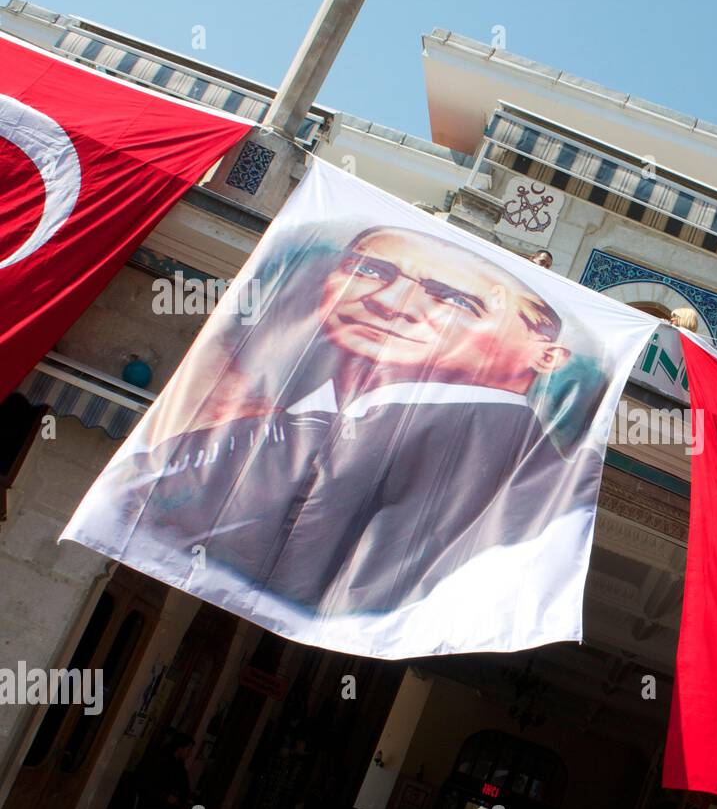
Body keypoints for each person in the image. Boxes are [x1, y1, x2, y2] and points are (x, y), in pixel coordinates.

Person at [72, 226, 586, 628]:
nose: (388, 303)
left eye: (452, 301)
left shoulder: (518, 476)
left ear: (547, 356)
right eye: (368, 270)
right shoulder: (288, 417)